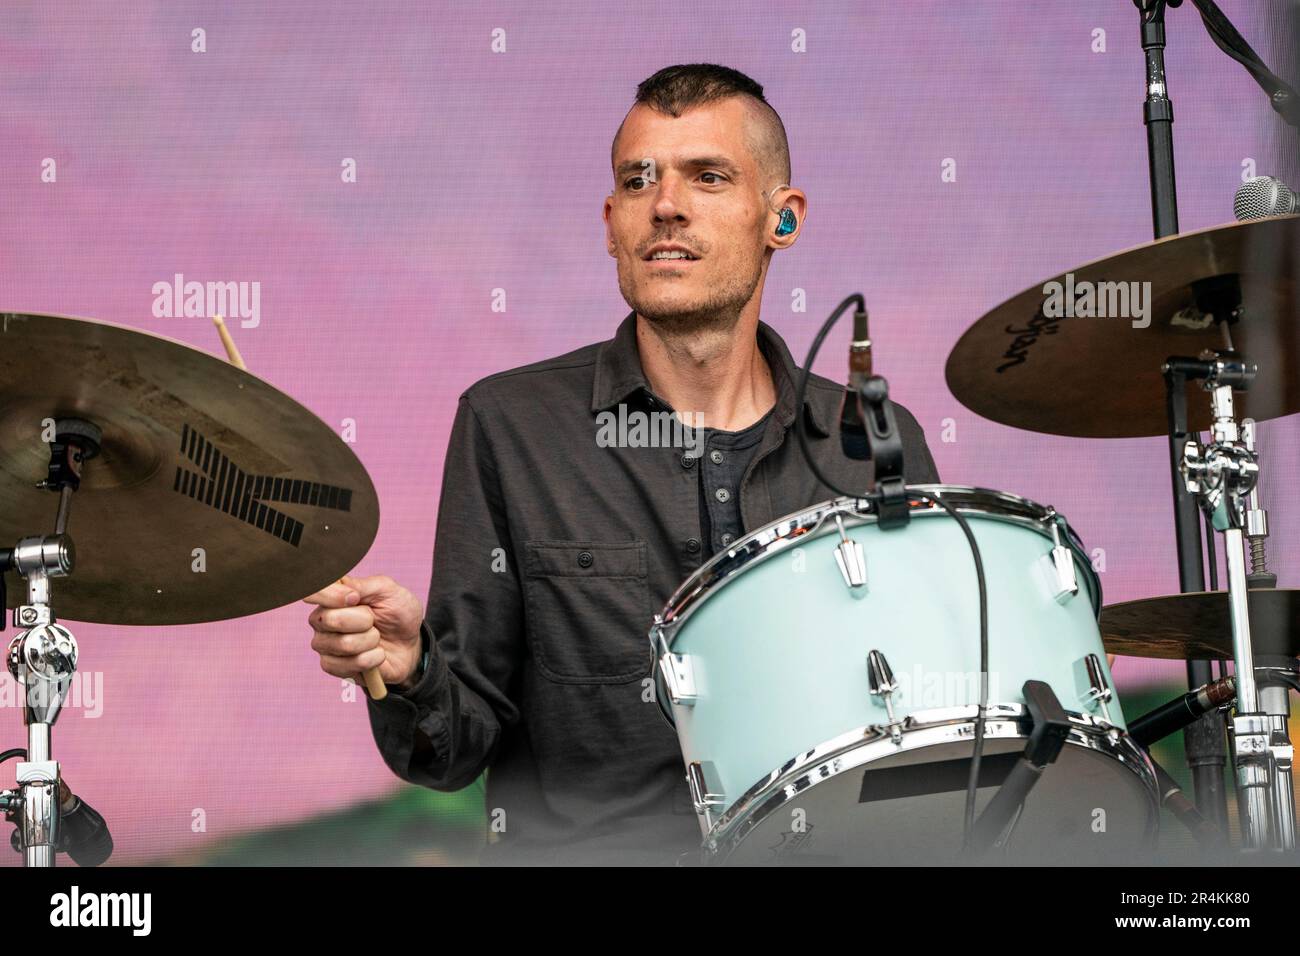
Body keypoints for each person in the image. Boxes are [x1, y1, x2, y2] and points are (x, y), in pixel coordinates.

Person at [306, 63, 939, 865]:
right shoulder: (511, 425)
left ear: (782, 219)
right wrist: (413, 668)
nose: (665, 204)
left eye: (707, 177)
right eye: (639, 181)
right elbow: (450, 750)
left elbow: (931, 729)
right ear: (612, 223)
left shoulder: (876, 443)